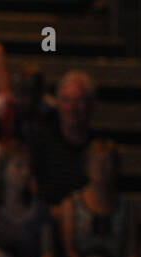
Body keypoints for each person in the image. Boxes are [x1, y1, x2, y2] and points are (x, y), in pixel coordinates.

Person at [55, 138, 139, 257]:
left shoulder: (127, 206)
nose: (100, 167)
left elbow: (133, 254)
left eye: (106, 161)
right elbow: (69, 251)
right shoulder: (71, 205)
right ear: (86, 165)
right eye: (95, 161)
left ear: (115, 167)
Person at [0, 141, 54, 257]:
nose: (26, 172)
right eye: (19, 166)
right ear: (3, 171)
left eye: (29, 167)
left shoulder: (40, 209)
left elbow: (47, 255)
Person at [29, 70, 95, 208]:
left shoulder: (97, 149)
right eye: (66, 100)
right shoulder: (40, 143)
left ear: (90, 105)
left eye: (79, 100)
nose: (72, 107)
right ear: (58, 104)